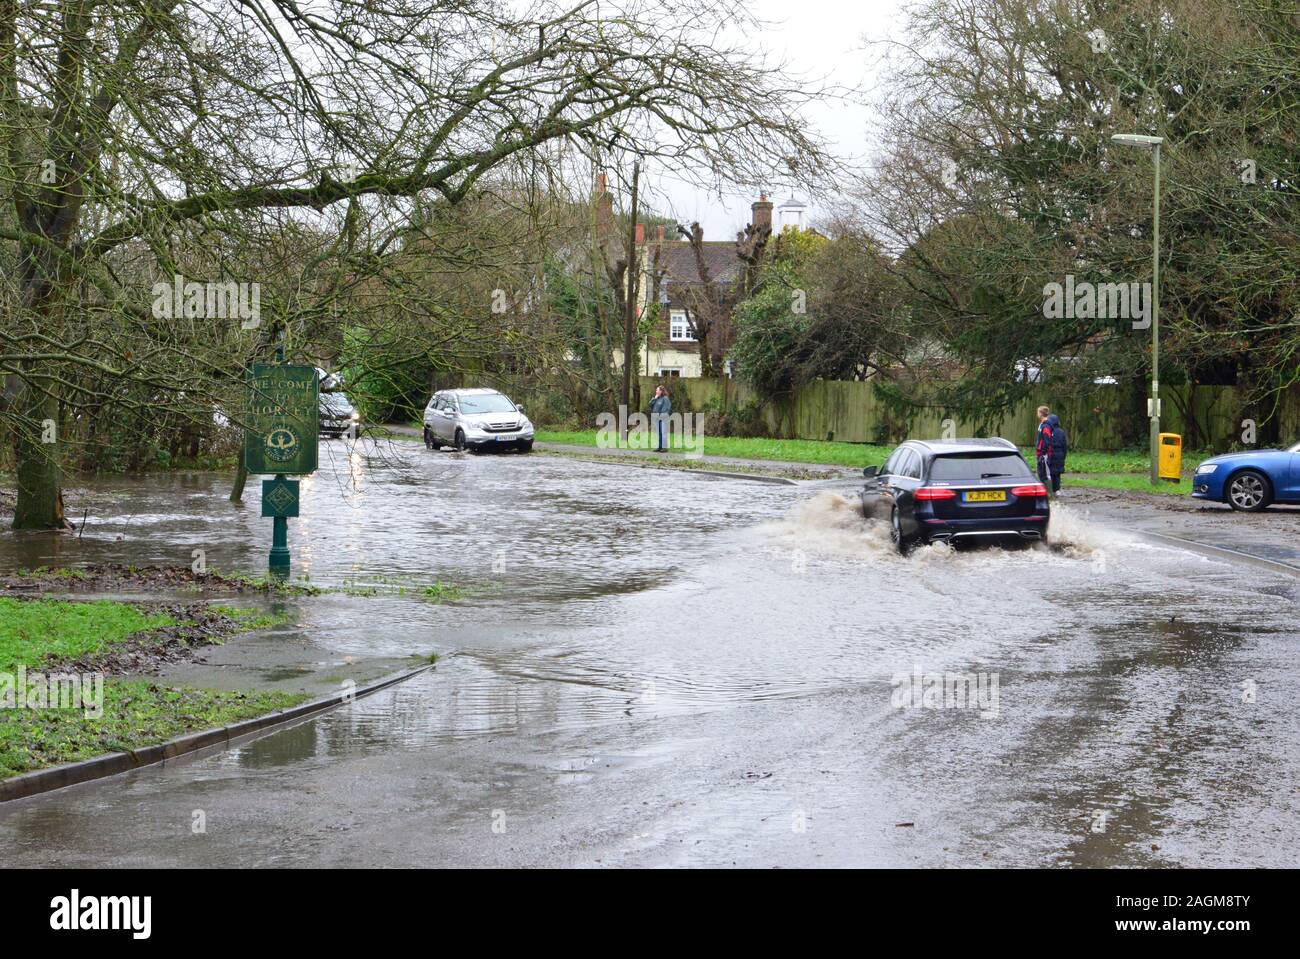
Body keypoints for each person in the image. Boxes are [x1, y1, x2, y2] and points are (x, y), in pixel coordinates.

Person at [1035, 406, 1066, 495]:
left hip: (1049, 454)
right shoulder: (1061, 431)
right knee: (1056, 474)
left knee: (1046, 473)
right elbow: (1064, 446)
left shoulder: (1046, 427)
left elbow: (1046, 441)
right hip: (1059, 455)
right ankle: (1056, 490)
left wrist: (1043, 452)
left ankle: (1049, 492)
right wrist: (1063, 456)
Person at [649, 384, 671, 452]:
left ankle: (664, 448)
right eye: (656, 390)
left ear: (661, 391)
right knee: (659, 433)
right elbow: (650, 405)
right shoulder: (657, 398)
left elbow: (666, 408)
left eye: (657, 390)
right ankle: (659, 447)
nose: (656, 391)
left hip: (663, 418)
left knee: (663, 432)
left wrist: (660, 415)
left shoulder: (665, 398)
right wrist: (654, 398)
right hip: (657, 418)